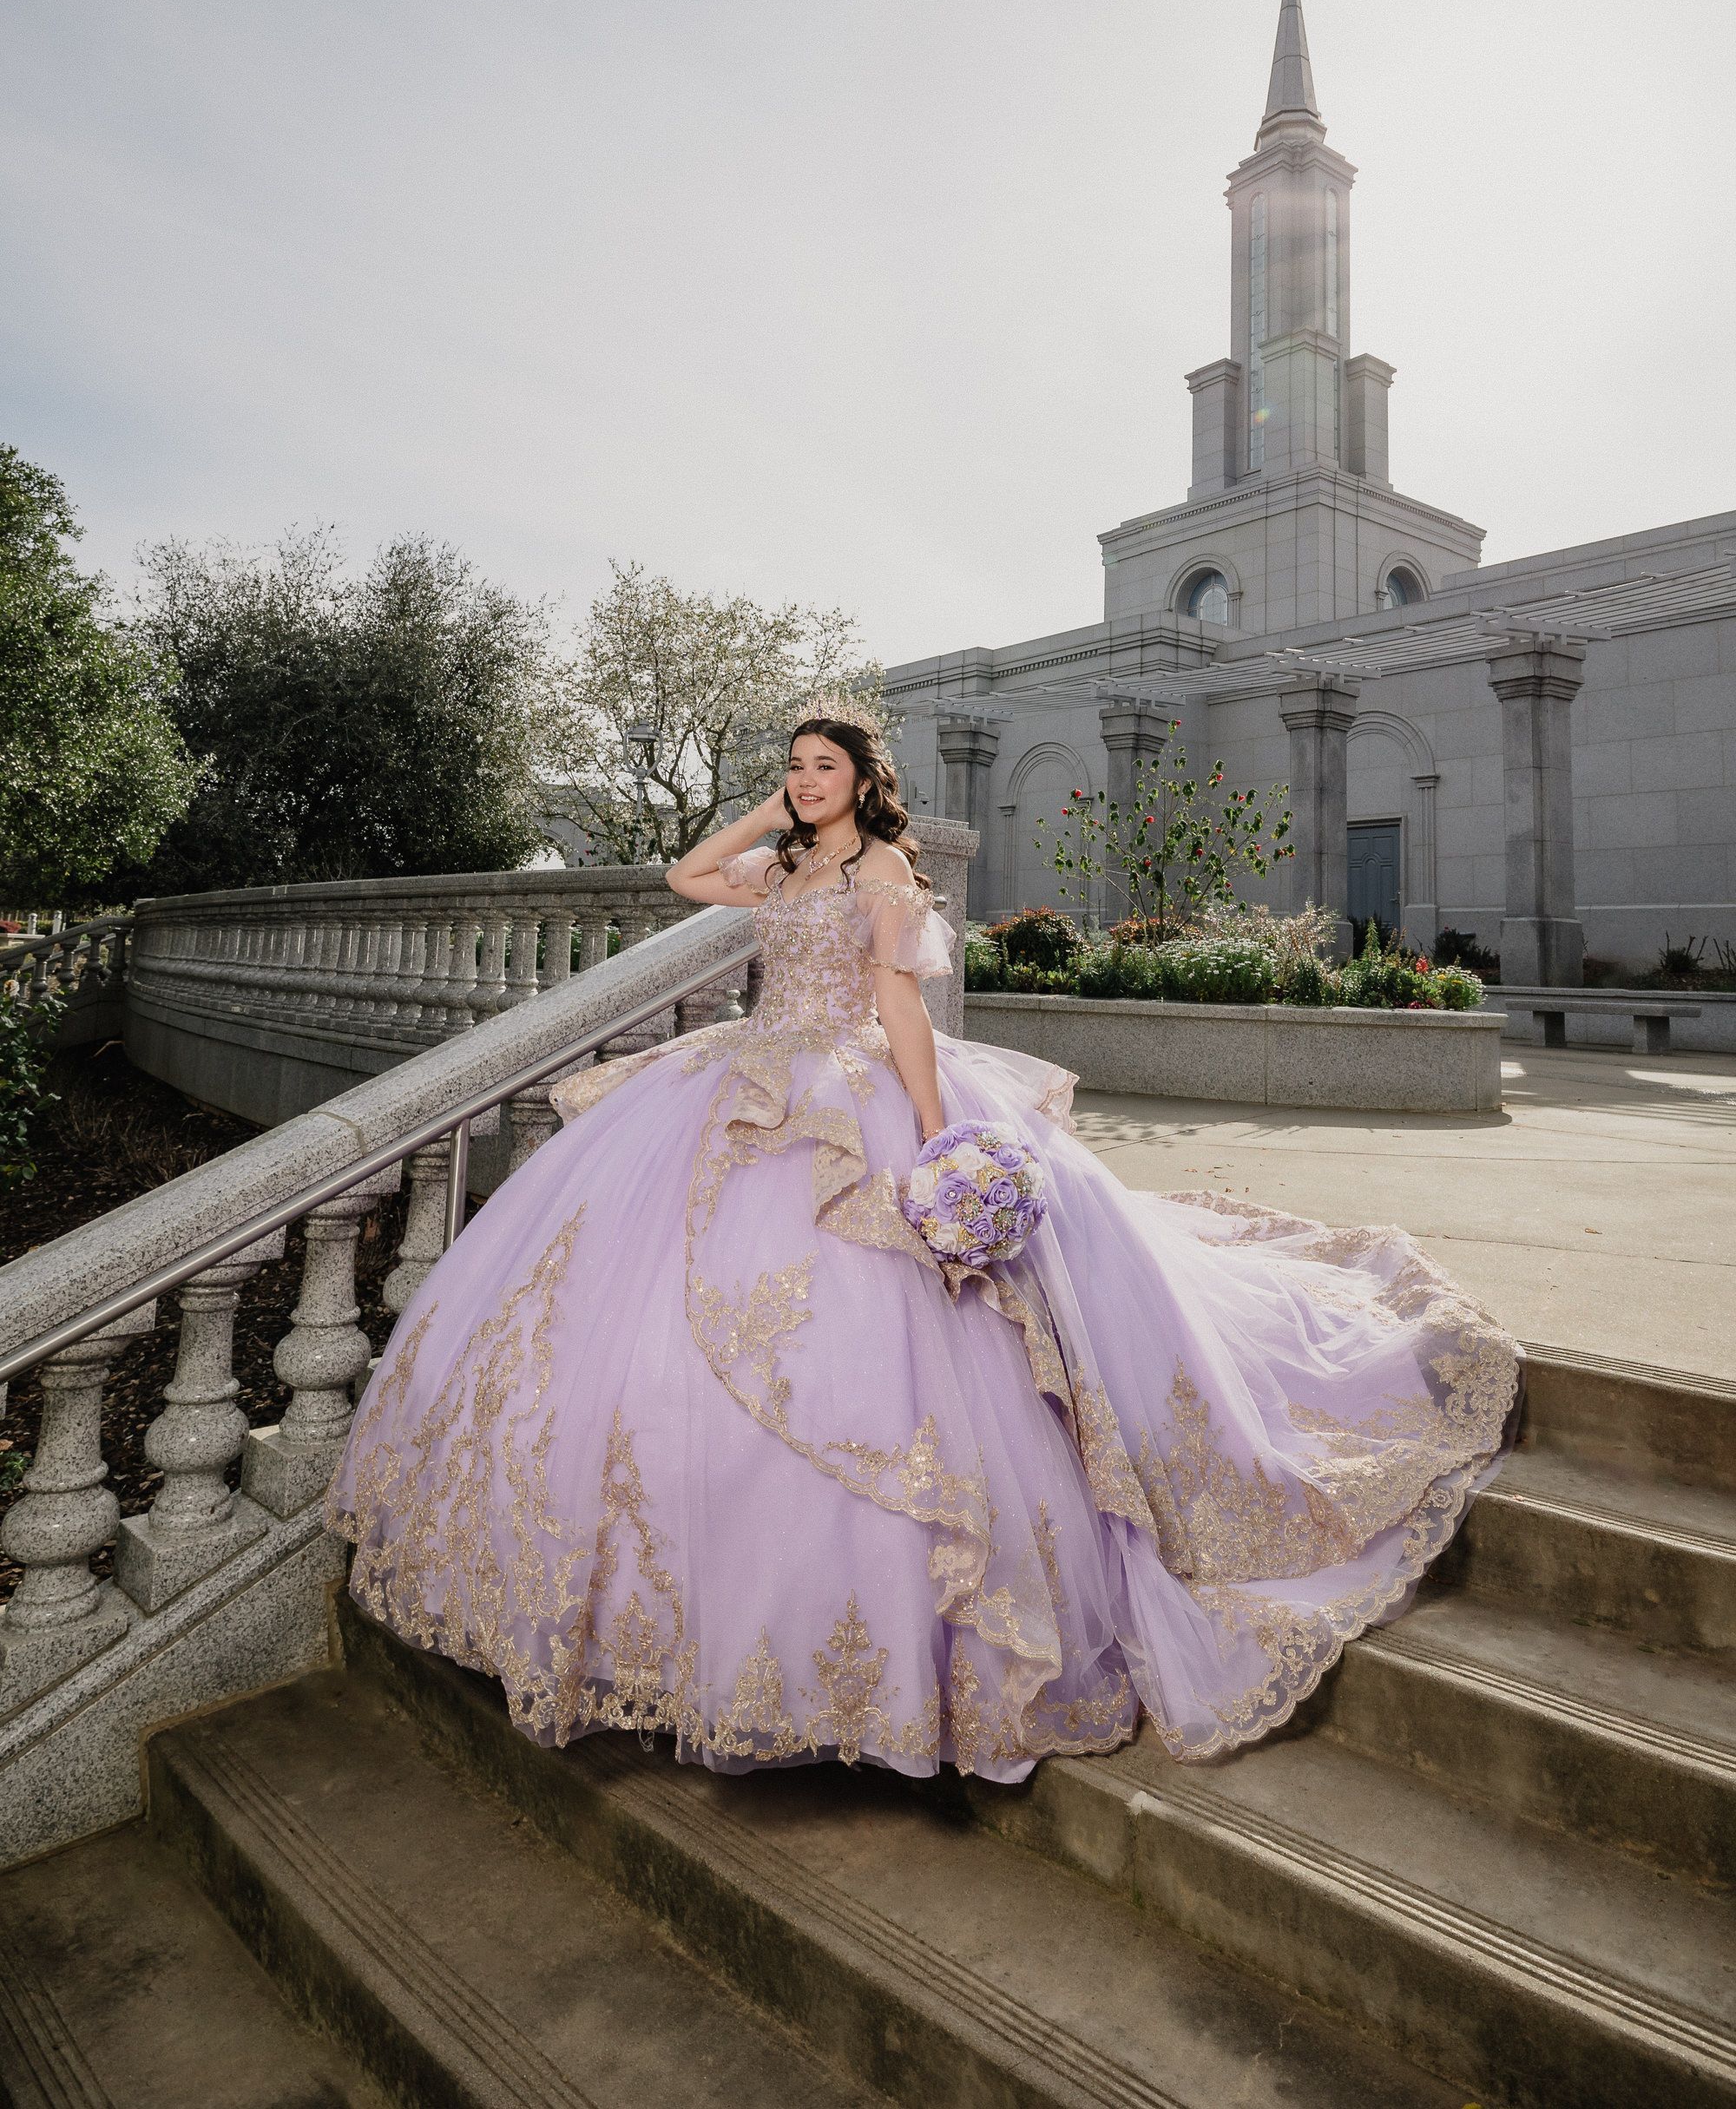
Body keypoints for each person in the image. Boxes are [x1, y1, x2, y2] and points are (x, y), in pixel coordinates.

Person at [329, 715, 1520, 1781]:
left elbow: (899, 1005)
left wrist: (937, 1140)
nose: (807, 782)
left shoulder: (887, 871)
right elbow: (688, 876)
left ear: (865, 781)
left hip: (850, 1089)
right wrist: (767, 813)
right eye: (795, 768)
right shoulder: (784, 862)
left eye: (824, 768)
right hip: (746, 1079)